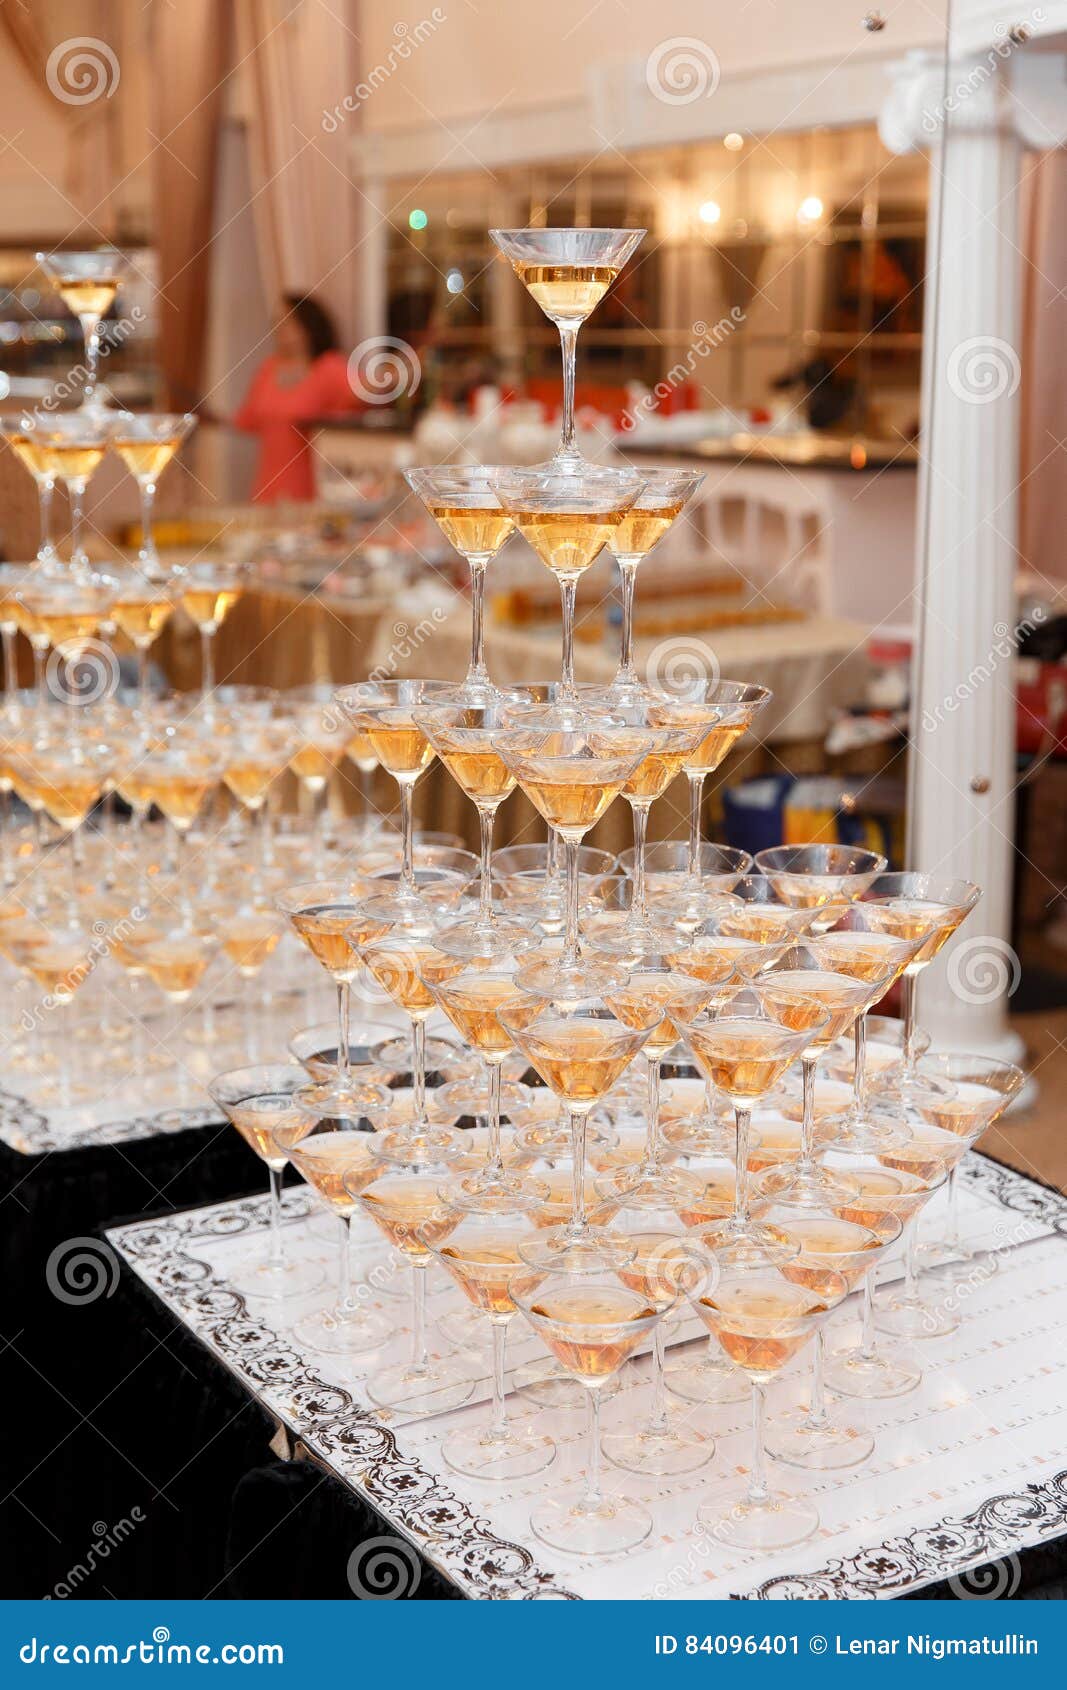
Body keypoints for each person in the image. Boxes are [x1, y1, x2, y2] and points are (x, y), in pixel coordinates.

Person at [233, 295, 361, 502]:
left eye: (288, 321)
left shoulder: (329, 368)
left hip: (311, 487)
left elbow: (366, 392)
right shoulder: (268, 369)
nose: (280, 328)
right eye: (277, 321)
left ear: (308, 325)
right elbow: (247, 420)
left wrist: (402, 369)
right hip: (267, 487)